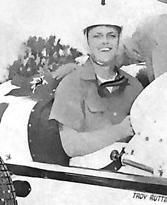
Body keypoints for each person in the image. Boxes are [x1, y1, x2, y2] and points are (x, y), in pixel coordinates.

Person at [50, 10, 142, 161]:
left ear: (119, 40)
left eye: (111, 35)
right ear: (87, 43)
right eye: (97, 36)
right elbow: (71, 146)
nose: (105, 41)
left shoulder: (134, 86)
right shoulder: (71, 85)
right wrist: (119, 131)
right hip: (87, 178)